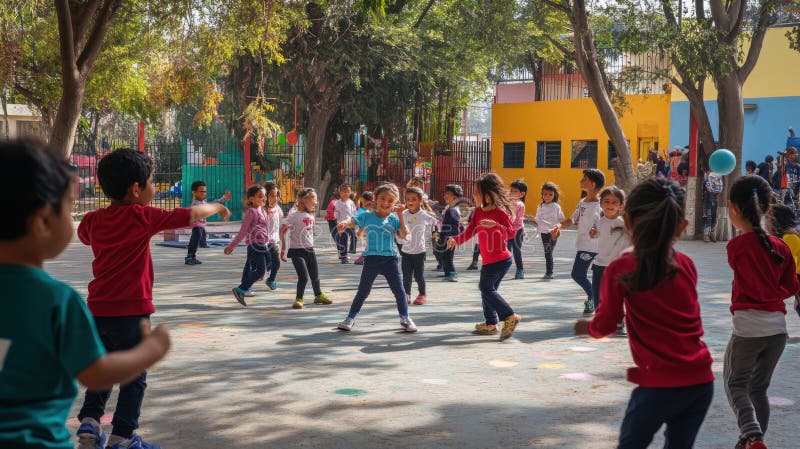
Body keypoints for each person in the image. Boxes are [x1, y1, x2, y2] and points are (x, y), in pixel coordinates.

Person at [0, 140, 172, 449]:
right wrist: (152, 350)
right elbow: (97, 374)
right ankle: (123, 438)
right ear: (42, 221)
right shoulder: (56, 301)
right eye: (69, 207)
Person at [76, 148, 228, 449]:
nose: (154, 187)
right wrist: (216, 207)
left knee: (104, 367)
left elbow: (83, 234)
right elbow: (189, 215)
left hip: (97, 311)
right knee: (134, 375)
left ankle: (90, 424)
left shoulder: (93, 220)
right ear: (136, 189)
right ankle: (122, 436)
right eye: (151, 182)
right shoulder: (142, 216)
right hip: (131, 313)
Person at [575, 177, 714, 449]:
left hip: (658, 384)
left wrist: (587, 328)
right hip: (700, 381)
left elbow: (605, 325)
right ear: (682, 227)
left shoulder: (622, 267)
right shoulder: (686, 264)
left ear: (627, 222)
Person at [724, 175, 798, 449]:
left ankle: (751, 435)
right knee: (758, 389)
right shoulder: (781, 247)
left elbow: (744, 264)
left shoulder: (736, 247)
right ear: (769, 207)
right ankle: (754, 441)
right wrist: (772, 296)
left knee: (736, 385)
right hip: (778, 331)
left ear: (732, 208)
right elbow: (791, 286)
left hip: (748, 330)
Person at [447, 173, 521, 341]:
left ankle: (509, 316)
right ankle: (491, 324)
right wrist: (456, 240)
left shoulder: (500, 213)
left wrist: (497, 226)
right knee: (487, 291)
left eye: (475, 192)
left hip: (501, 260)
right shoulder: (478, 212)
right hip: (489, 261)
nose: (472, 195)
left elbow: (511, 233)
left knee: (486, 289)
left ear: (487, 195)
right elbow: (469, 232)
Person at [337, 183, 417, 332]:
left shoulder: (394, 219)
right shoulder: (367, 215)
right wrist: (344, 223)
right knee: (363, 291)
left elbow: (405, 234)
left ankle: (405, 318)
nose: (386, 203)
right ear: (375, 198)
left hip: (390, 260)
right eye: (382, 198)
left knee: (399, 291)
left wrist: (400, 214)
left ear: (395, 203)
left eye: (390, 200)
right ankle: (350, 318)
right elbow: (352, 221)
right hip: (372, 259)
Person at [554, 169, 605, 315]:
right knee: (580, 275)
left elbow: (602, 221)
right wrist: (558, 226)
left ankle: (594, 299)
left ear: (593, 184)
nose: (580, 181)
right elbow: (571, 219)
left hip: (593, 247)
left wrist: (596, 228)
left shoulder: (601, 204)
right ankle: (593, 298)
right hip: (583, 245)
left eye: (584, 179)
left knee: (578, 274)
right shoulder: (582, 202)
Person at [280, 188, 332, 309]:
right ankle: (299, 299)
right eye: (314, 198)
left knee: (315, 275)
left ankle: (318, 295)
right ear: (304, 200)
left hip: (309, 250)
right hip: (296, 251)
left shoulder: (311, 215)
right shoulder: (294, 216)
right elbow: (282, 232)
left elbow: (310, 232)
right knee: (303, 276)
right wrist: (283, 249)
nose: (316, 202)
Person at [589, 186, 630, 335]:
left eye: (614, 202)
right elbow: (596, 234)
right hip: (599, 264)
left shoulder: (623, 223)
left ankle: (619, 323)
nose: (610, 205)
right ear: (601, 204)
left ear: (620, 206)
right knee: (597, 295)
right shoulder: (599, 222)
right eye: (606, 201)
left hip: (617, 267)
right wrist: (592, 233)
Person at [225, 185, 271, 306]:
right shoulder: (251, 212)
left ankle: (245, 285)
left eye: (265, 195)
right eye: (260, 196)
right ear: (251, 199)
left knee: (262, 265)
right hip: (255, 244)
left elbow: (264, 228)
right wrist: (232, 245)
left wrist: (267, 240)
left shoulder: (261, 210)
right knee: (261, 271)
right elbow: (243, 230)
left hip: (261, 244)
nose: (264, 198)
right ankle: (242, 288)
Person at [399, 187, 438, 305]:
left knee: (418, 275)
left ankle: (422, 294)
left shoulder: (423, 215)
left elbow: (436, 222)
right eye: (408, 199)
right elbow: (397, 225)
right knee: (406, 276)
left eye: (414, 199)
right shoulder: (404, 214)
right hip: (405, 251)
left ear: (420, 201)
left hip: (419, 252)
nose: (410, 201)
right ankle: (406, 294)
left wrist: (436, 232)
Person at [766, 204, 800, 317]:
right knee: (797, 305)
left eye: (768, 218)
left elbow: (784, 265)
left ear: (777, 221)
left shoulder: (790, 237)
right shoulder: (787, 236)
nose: (766, 222)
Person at [185, 180, 230, 265]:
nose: (203, 193)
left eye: (205, 191)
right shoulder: (195, 203)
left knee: (198, 239)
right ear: (194, 192)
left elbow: (214, 202)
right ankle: (190, 257)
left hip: (201, 225)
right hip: (197, 226)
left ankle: (193, 256)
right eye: (201, 191)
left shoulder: (203, 201)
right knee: (194, 241)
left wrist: (224, 198)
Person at [532, 182, 564, 280]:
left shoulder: (556, 206)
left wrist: (557, 228)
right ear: (542, 194)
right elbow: (537, 219)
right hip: (543, 232)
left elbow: (562, 219)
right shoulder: (540, 206)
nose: (547, 196)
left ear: (554, 195)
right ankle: (549, 272)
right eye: (545, 194)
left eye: (550, 194)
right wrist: (533, 219)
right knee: (547, 252)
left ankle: (549, 272)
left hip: (553, 232)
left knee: (548, 252)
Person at [439, 184, 466, 281]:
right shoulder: (451, 209)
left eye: (448, 194)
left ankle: (452, 274)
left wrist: (452, 237)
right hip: (448, 237)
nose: (445, 196)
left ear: (454, 197)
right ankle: (447, 273)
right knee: (445, 256)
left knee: (447, 257)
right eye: (445, 193)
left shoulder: (452, 210)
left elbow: (455, 226)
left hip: (450, 238)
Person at [262, 181, 283, 290]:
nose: (275, 198)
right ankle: (247, 284)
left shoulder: (277, 208)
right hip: (262, 242)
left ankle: (271, 279)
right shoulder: (261, 209)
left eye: (276, 195)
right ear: (266, 196)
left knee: (276, 262)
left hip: (274, 241)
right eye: (272, 195)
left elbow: (281, 218)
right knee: (261, 265)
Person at [508, 179, 528, 279]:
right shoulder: (508, 203)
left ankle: (520, 270)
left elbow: (514, 217)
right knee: (506, 250)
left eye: (515, 191)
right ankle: (501, 269)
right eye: (511, 190)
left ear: (522, 194)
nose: (512, 193)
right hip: (508, 230)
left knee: (516, 251)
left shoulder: (519, 204)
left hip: (517, 231)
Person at [334, 184, 357, 263]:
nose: (346, 193)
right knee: (343, 238)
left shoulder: (351, 203)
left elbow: (354, 212)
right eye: (344, 191)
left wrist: (355, 220)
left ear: (350, 192)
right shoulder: (338, 203)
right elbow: (336, 211)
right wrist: (336, 216)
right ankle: (344, 256)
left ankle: (352, 249)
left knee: (353, 236)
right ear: (340, 193)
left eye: (348, 191)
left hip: (350, 223)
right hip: (341, 224)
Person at [703, 168, 724, 242]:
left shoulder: (718, 175)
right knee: (708, 216)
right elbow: (705, 184)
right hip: (708, 197)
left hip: (715, 197)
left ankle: (712, 233)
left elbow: (720, 186)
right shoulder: (706, 175)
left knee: (714, 216)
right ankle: (706, 234)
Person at [354, 191, 374, 265]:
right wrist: (361, 230)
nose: (363, 204)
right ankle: (363, 258)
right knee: (370, 245)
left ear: (371, 200)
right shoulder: (368, 211)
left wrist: (361, 230)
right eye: (362, 202)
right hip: (371, 233)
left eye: (364, 201)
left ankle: (363, 258)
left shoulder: (377, 210)